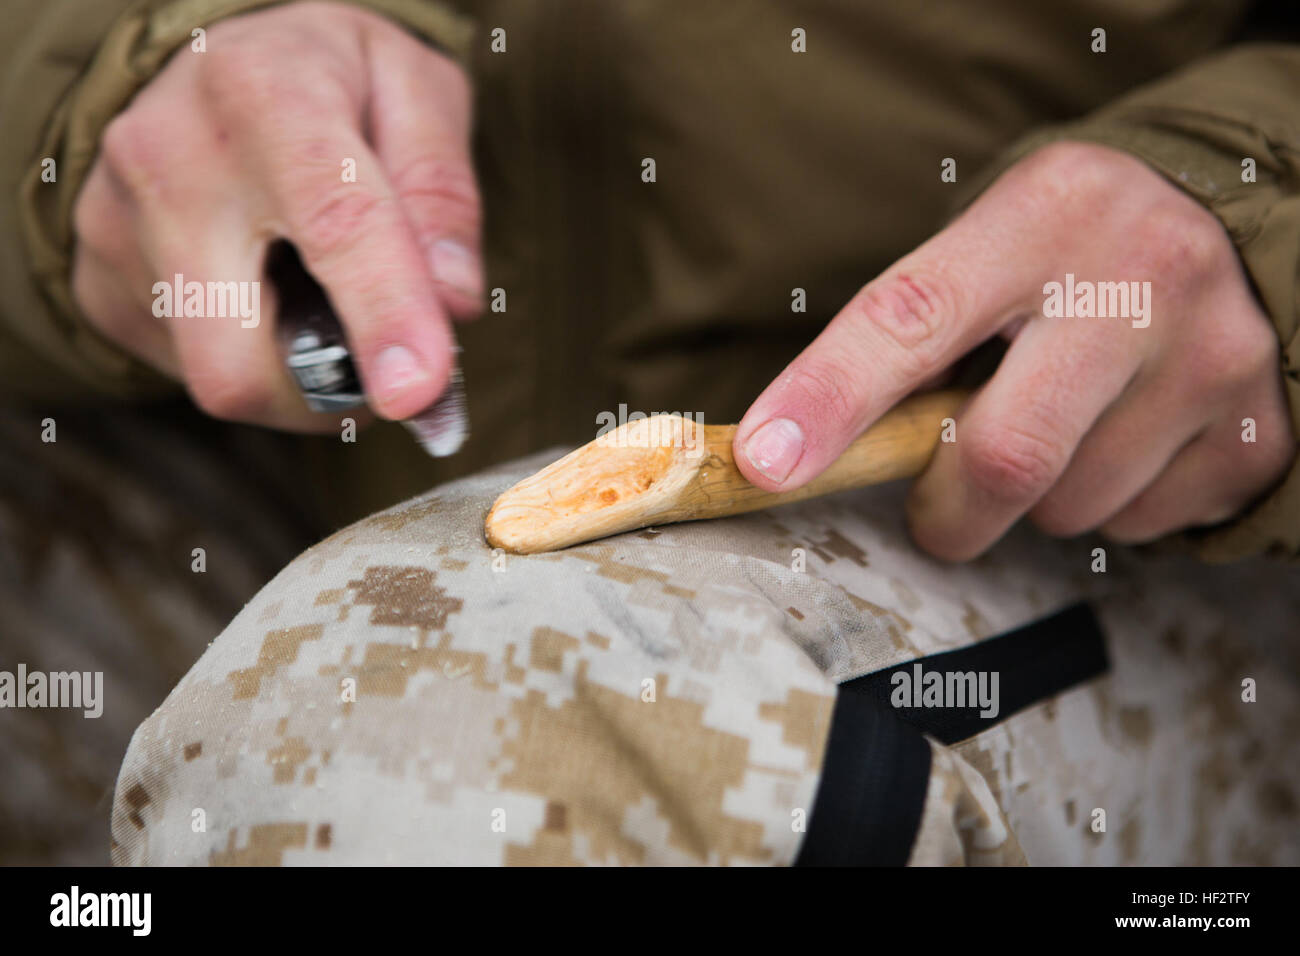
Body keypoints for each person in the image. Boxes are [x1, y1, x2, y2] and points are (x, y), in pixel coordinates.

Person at [1, 0, 1297, 864]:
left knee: (472, 709)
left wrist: (1251, 211)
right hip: (253, 447)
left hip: (1098, 490)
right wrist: (92, 98)